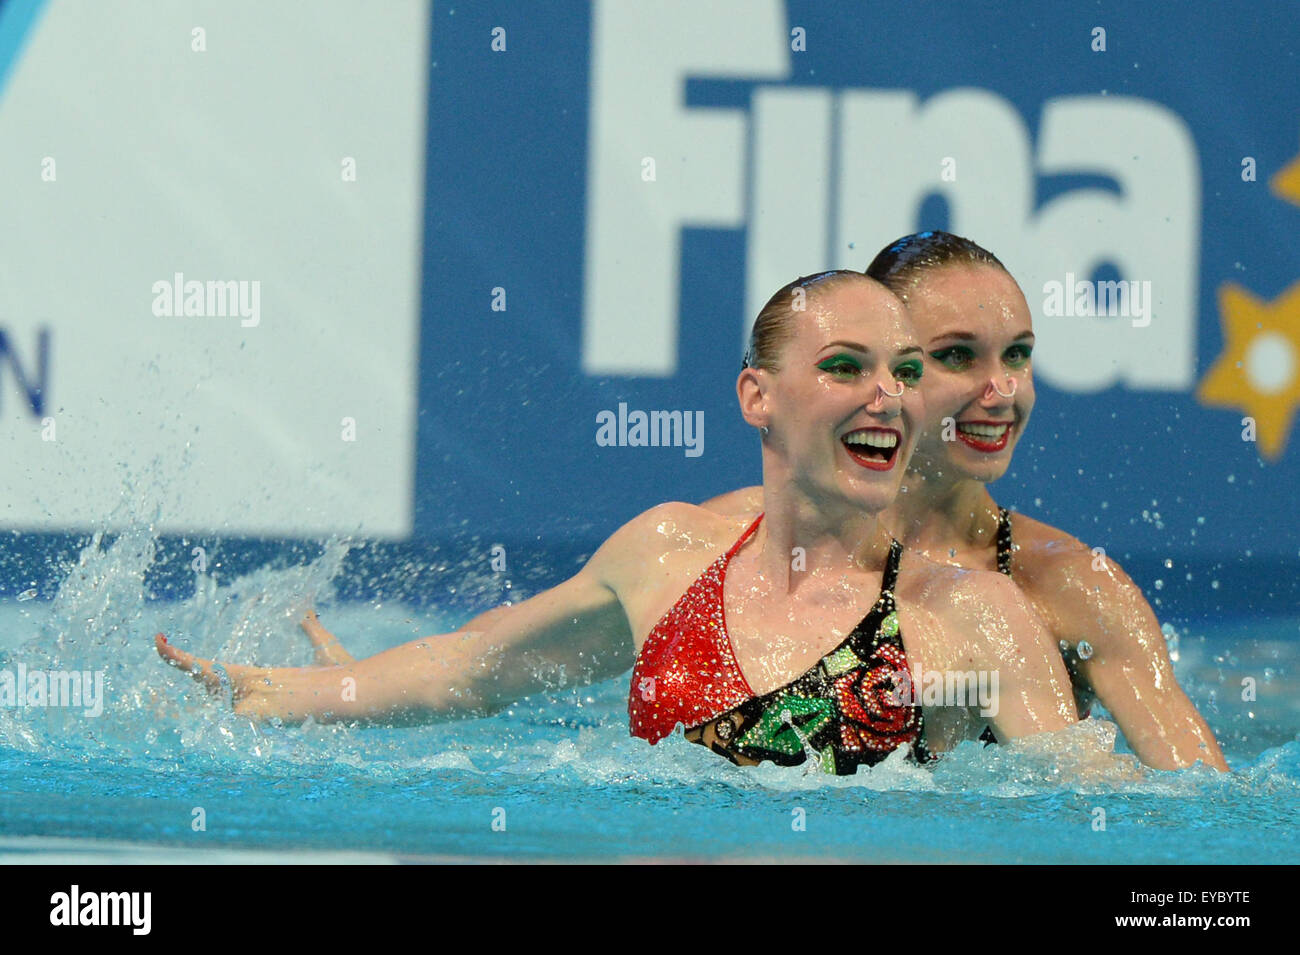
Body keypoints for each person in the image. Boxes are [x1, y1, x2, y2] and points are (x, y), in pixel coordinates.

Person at [158, 271, 1077, 775]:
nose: (888, 395)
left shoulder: (971, 616)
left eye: (909, 372)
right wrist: (277, 695)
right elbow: (475, 673)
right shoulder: (670, 554)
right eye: (847, 367)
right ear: (757, 396)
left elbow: (1093, 815)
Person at [702, 233, 1228, 772]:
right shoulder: (725, 542)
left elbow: (1207, 811)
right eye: (958, 356)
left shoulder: (1069, 584)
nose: (1003, 391)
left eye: (1018, 356)